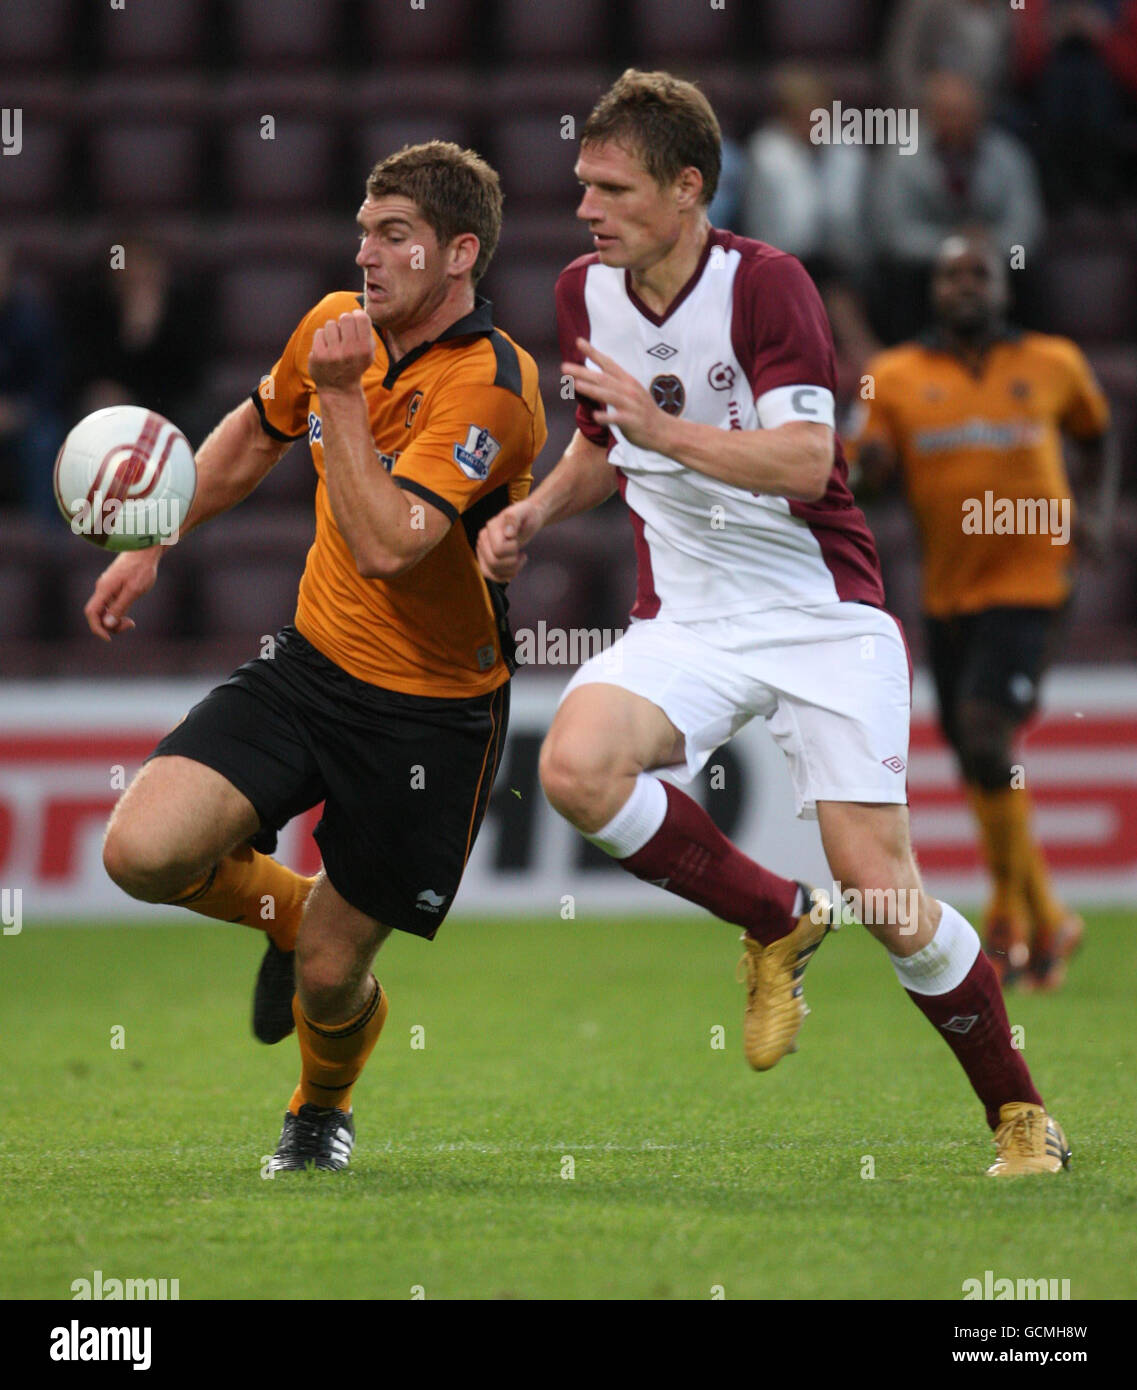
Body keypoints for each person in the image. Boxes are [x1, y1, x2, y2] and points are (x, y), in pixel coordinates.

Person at [478, 70, 1069, 1177]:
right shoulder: (581, 291)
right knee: (576, 767)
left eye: (612, 188)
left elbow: (808, 459)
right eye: (582, 186)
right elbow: (607, 445)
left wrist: (663, 427)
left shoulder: (769, 286)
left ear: (688, 187)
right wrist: (537, 513)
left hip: (819, 611)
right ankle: (775, 915)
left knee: (888, 894)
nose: (587, 210)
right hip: (688, 616)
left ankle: (1020, 1118)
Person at [86, 142, 546, 1172]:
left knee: (333, 978)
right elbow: (254, 434)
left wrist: (341, 396)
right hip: (311, 667)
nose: (367, 254)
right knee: (140, 851)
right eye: (362, 231)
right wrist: (155, 539)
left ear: (458, 253)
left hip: (433, 713)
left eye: (395, 235)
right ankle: (289, 910)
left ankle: (317, 1110)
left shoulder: (497, 387)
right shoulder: (332, 329)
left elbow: (390, 547)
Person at [848, 232, 1112, 992]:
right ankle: (1051, 916)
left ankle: (1005, 915)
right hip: (948, 591)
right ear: (932, 291)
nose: (963, 285)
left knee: (985, 735)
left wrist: (1090, 514)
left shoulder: (1054, 363)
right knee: (973, 752)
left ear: (1003, 286)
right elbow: (864, 480)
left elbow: (1097, 437)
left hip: (1033, 581)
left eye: (977, 274)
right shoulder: (892, 377)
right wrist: (872, 471)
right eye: (949, 275)